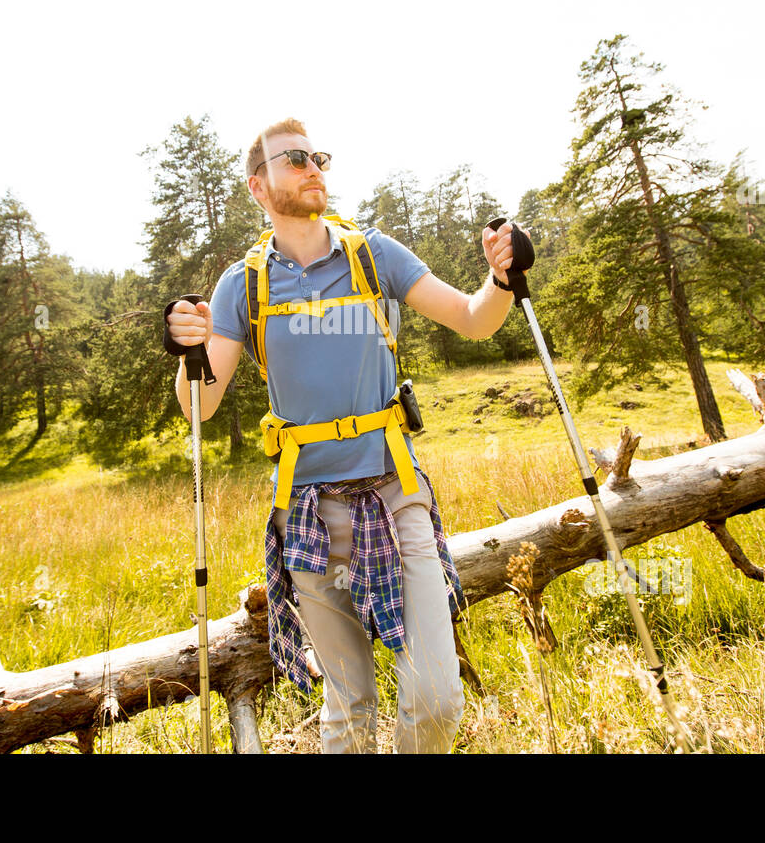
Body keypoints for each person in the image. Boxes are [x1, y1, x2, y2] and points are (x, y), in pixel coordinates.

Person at [166, 117, 528, 753]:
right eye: (295, 158)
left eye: (319, 157)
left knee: (437, 698)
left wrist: (500, 279)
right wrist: (186, 350)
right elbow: (201, 403)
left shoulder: (374, 254)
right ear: (258, 185)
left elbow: (472, 320)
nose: (313, 167)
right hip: (306, 508)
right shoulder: (241, 284)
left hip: (395, 493)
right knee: (350, 704)